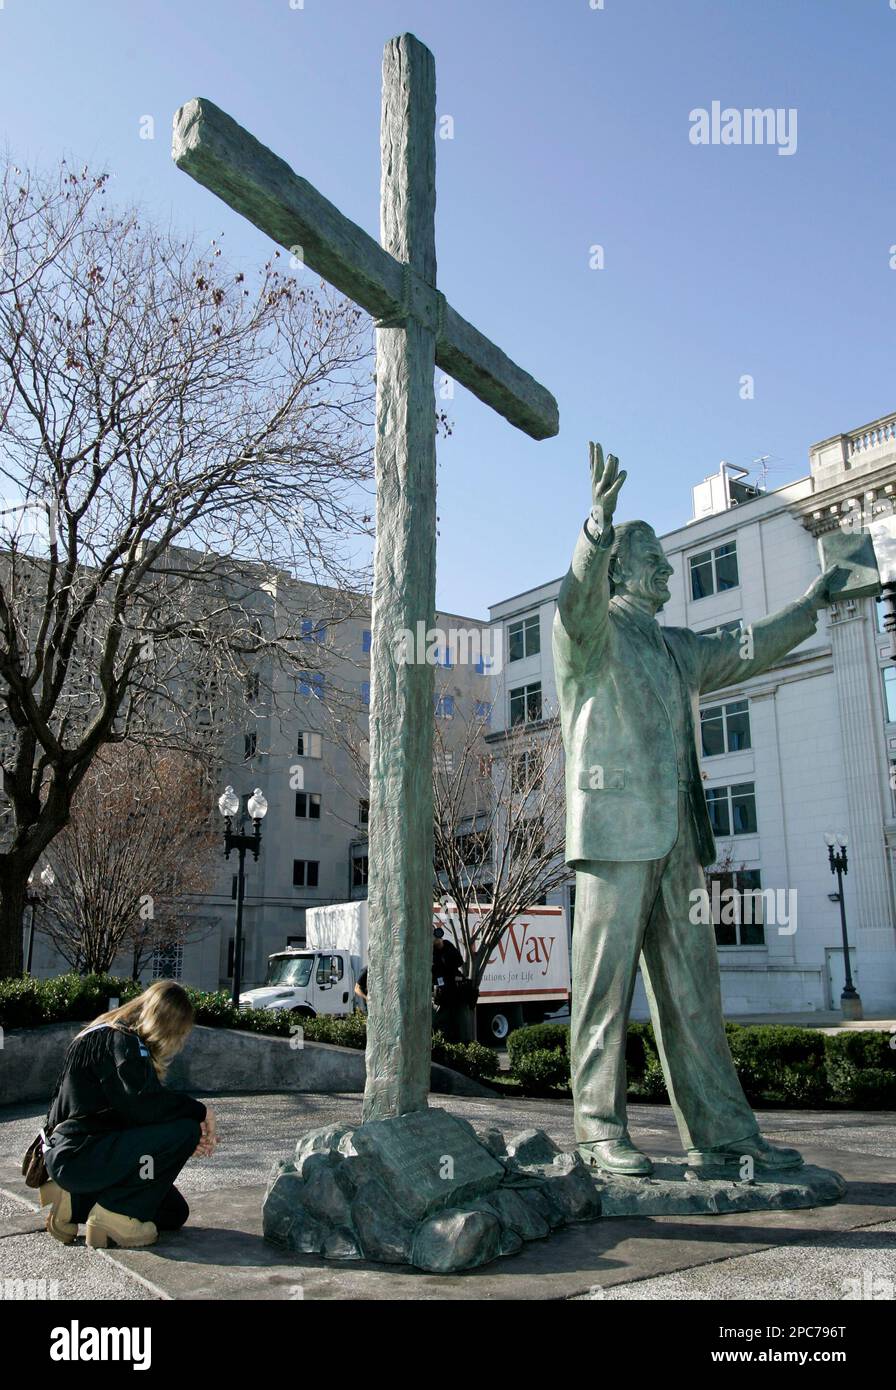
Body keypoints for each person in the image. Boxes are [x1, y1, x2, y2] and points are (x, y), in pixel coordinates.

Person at [553, 443, 841, 1177]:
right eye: (653, 557)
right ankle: (596, 1131)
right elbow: (573, 601)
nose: (668, 570)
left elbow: (747, 648)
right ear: (620, 567)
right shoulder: (589, 638)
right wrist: (597, 526)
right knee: (603, 990)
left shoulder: (676, 646)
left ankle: (722, 1138)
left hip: (680, 842)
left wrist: (814, 604)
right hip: (615, 838)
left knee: (694, 994)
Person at [39, 979, 217, 1249]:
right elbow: (146, 1104)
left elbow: (130, 1113)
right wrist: (199, 1115)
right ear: (165, 1023)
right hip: (79, 1154)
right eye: (179, 1034)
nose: (179, 1044)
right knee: (186, 1130)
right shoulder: (124, 1041)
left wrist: (168, 1145)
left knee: (173, 1212)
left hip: (76, 1155)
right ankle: (115, 1216)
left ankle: (74, 1202)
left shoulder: (102, 1033)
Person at [431, 925, 465, 1042]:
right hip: (441, 991)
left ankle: (455, 1041)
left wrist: (448, 963)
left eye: (439, 939)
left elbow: (459, 961)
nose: (438, 942)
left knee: (454, 1019)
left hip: (453, 989)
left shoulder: (448, 946)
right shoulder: (432, 951)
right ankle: (443, 1040)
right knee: (441, 1020)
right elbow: (433, 972)